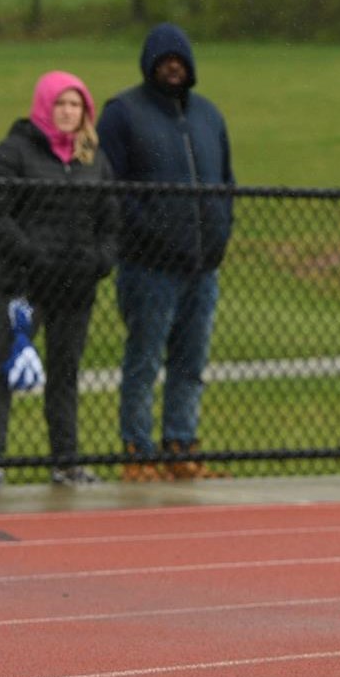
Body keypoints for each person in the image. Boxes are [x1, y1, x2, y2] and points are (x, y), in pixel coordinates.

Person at [96, 24, 234, 481]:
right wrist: (148, 232)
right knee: (145, 360)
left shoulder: (208, 116)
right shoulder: (123, 113)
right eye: (164, 59)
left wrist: (219, 233)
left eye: (180, 59)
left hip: (202, 266)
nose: (172, 67)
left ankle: (181, 444)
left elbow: (226, 183)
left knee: (190, 363)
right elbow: (110, 188)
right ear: (150, 63)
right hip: (147, 267)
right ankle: (137, 450)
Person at [0, 70, 119, 487]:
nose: (68, 112)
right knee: (3, 367)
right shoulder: (14, 152)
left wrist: (100, 261)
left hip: (76, 288)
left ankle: (65, 461)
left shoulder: (94, 158)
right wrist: (32, 255)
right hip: (24, 286)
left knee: (65, 372)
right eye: (61, 104)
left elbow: (110, 221)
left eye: (76, 105)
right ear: (44, 106)